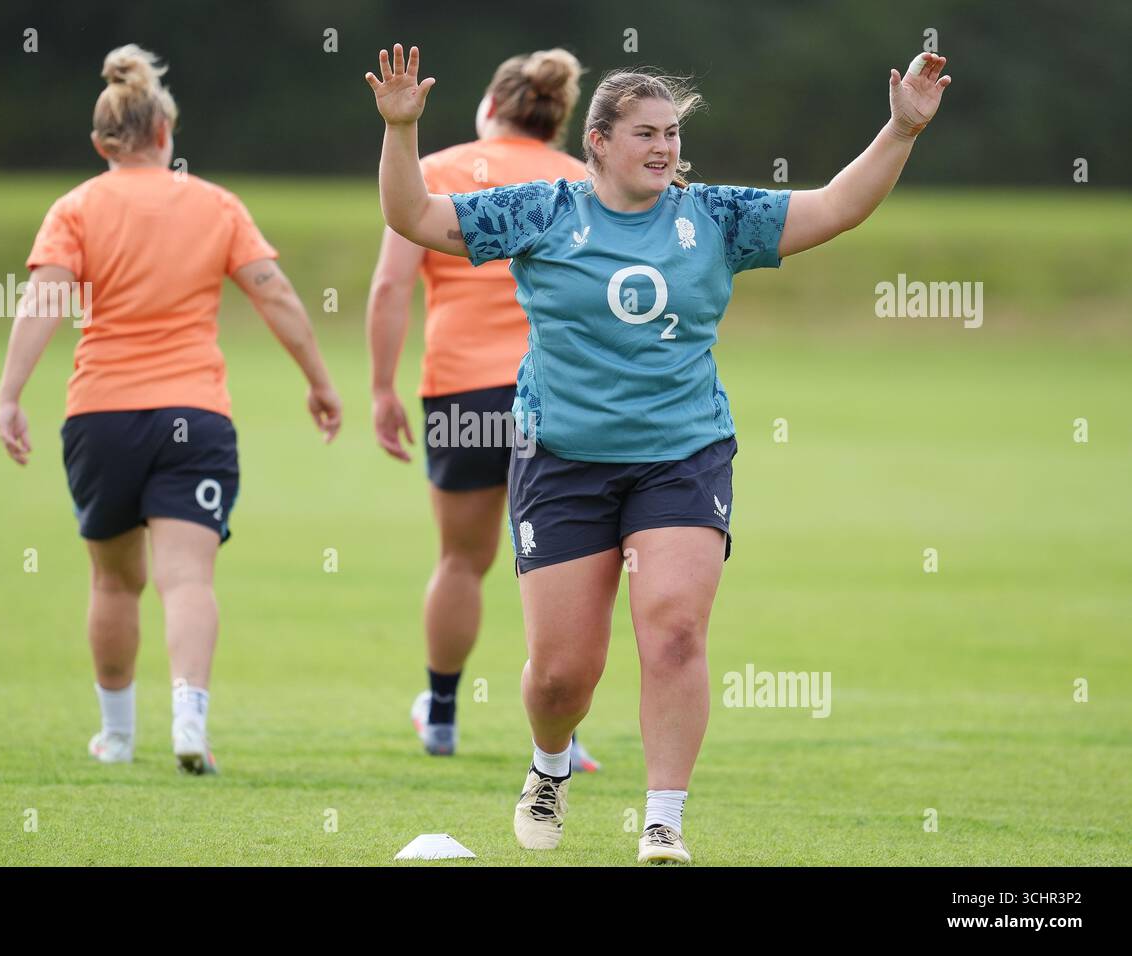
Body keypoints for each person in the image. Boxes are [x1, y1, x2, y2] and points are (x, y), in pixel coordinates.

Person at [365, 43, 950, 862]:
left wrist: (900, 131)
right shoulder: (542, 210)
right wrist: (401, 130)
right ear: (598, 141)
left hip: (683, 454)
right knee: (563, 674)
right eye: (646, 133)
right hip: (562, 458)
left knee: (674, 631)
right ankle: (549, 763)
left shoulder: (713, 216)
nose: (664, 148)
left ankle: (663, 817)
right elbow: (415, 218)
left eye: (672, 133)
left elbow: (834, 208)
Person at [0, 44, 341, 775]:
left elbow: (45, 299)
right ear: (166, 135)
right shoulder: (214, 203)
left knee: (115, 581)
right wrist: (318, 380)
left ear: (101, 144)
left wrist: (10, 393)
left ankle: (117, 737)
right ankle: (190, 720)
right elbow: (273, 291)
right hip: (196, 415)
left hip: (102, 416)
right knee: (189, 579)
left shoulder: (77, 207)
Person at [365, 48, 598, 771]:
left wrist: (381, 388)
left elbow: (388, 289)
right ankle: (567, 732)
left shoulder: (434, 170)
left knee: (462, 561)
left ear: (489, 108)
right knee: (565, 563)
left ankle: (439, 714)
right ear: (556, 119)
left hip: (463, 393)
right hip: (561, 392)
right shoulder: (585, 180)